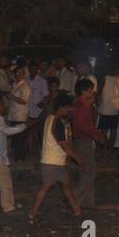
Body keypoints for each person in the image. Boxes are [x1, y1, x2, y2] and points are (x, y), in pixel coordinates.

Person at [29, 93, 81, 223]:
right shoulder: (58, 122)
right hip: (54, 161)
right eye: (68, 107)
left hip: (51, 160)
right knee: (48, 187)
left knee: (65, 185)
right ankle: (32, 213)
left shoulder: (49, 119)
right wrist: (75, 156)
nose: (70, 110)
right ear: (62, 107)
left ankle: (77, 210)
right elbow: (62, 143)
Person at [71, 79, 106, 209]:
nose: (93, 92)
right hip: (83, 141)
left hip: (83, 140)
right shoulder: (81, 106)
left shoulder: (82, 105)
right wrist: (97, 136)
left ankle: (87, 201)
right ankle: (75, 199)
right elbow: (83, 126)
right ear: (84, 91)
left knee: (86, 171)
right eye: (91, 89)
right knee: (89, 172)